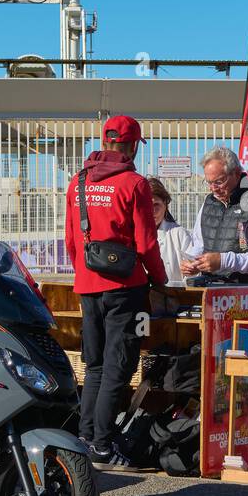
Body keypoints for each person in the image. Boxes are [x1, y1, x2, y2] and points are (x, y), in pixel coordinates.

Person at [65, 115, 168, 464]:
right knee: (118, 367)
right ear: (134, 144)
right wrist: (160, 278)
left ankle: (85, 436)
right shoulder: (135, 184)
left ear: (104, 141)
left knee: (93, 365)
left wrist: (86, 276)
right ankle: (103, 444)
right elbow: (146, 242)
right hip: (126, 287)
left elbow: (71, 243)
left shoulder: (76, 183)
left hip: (87, 286)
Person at [181, 146, 248, 284]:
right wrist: (192, 262)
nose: (213, 188)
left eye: (219, 181)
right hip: (210, 289)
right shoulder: (209, 202)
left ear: (237, 174)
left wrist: (224, 261)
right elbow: (200, 244)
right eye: (209, 182)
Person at [147, 178, 193, 288]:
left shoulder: (179, 234)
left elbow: (192, 274)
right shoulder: (130, 235)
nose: (152, 211)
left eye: (156, 205)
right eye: (147, 205)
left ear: (165, 205)